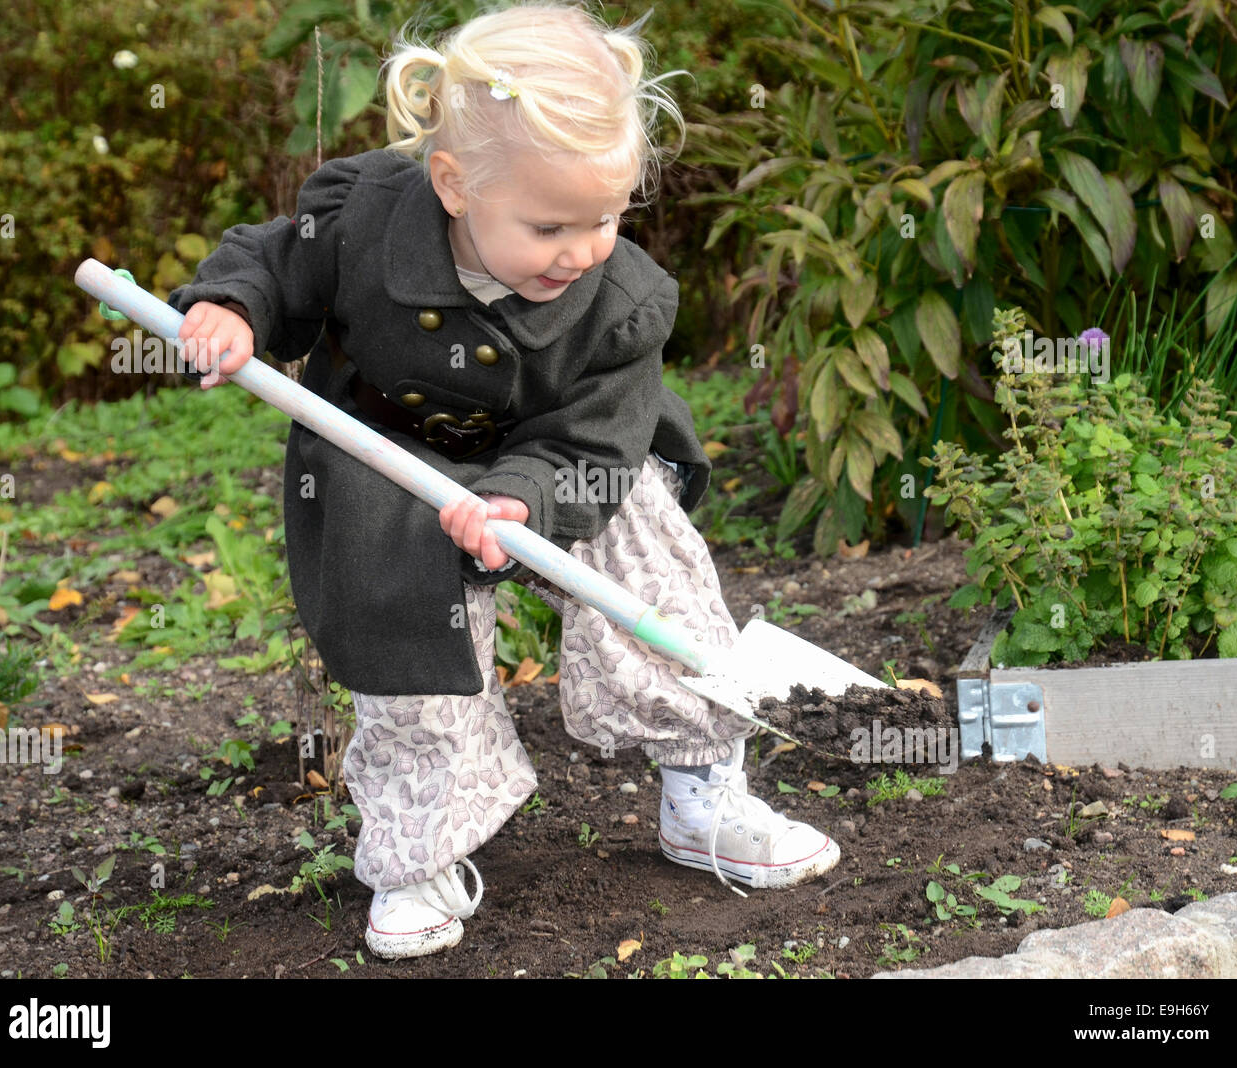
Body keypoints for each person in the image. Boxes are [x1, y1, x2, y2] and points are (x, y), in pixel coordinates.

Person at [170, 1, 839, 961]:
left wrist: (524, 496)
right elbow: (271, 260)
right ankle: (418, 851)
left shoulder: (622, 302)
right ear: (452, 185)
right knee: (402, 619)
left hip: (569, 465)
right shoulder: (362, 215)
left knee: (650, 542)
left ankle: (702, 789)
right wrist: (233, 308)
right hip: (390, 471)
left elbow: (598, 444)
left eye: (605, 219)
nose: (581, 250)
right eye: (549, 226)